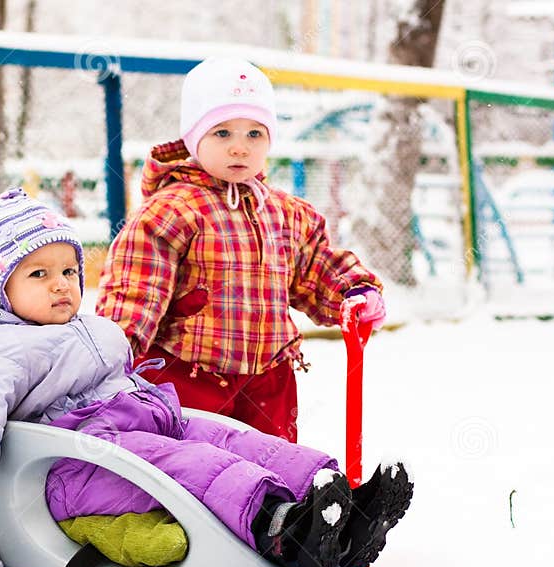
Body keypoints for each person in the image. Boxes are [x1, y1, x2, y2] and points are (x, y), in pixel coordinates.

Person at [0, 188, 412, 567]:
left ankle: (338, 507)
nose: (61, 285)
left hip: (132, 426)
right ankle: (281, 526)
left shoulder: (74, 328)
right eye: (39, 274)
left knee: (232, 439)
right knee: (191, 466)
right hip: (73, 468)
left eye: (69, 269)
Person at [96, 57, 385, 444]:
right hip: (190, 378)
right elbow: (136, 291)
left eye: (254, 134)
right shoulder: (170, 211)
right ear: (193, 138)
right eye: (222, 133)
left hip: (270, 382)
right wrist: (110, 358)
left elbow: (315, 266)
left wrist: (352, 292)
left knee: (275, 464)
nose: (239, 148)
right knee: (203, 472)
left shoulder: (285, 213)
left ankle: (287, 504)